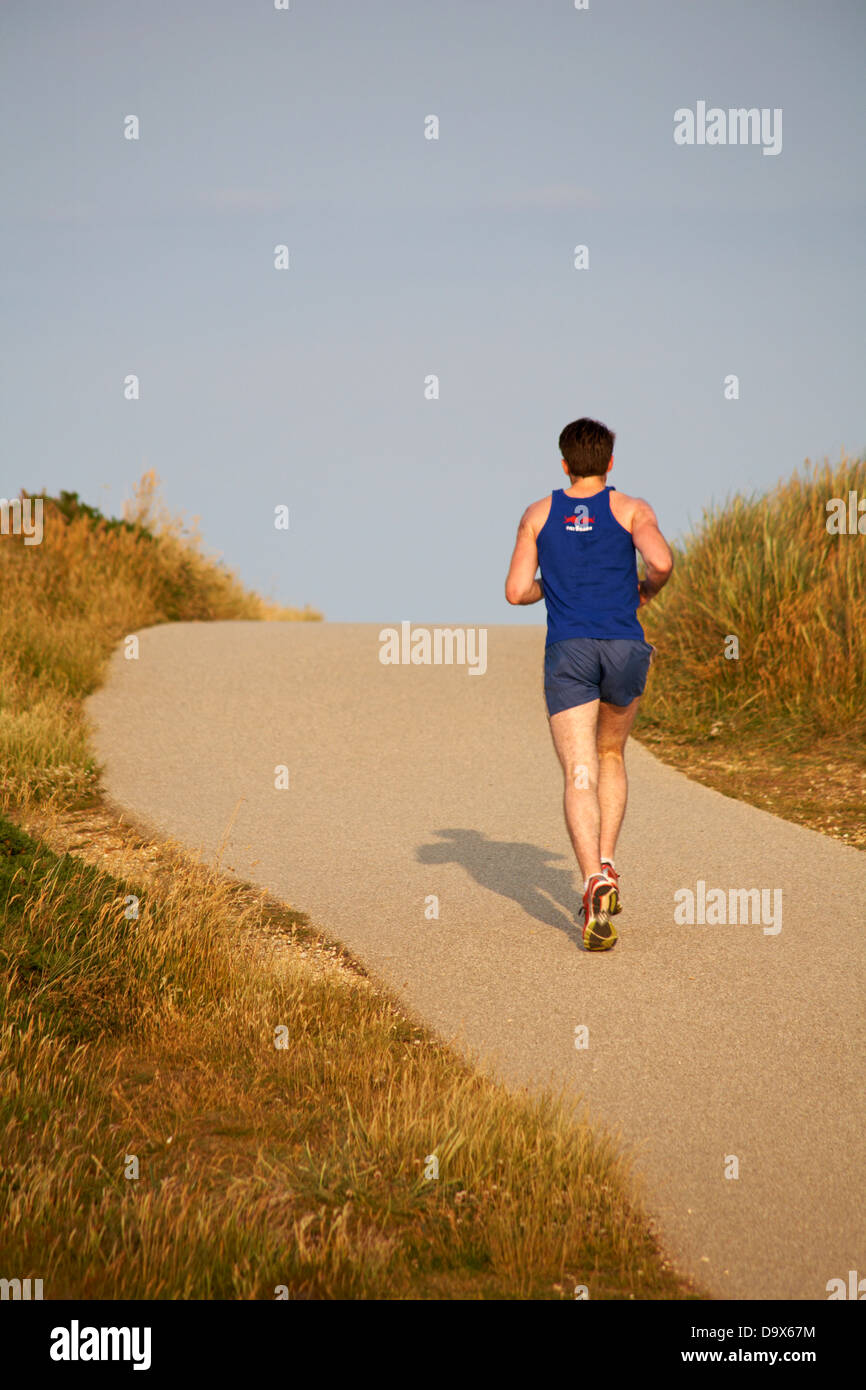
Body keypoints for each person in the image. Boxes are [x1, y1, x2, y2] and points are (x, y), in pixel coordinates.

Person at [505, 417, 674, 951]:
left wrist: (549, 587)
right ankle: (608, 864)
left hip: (569, 651)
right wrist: (647, 589)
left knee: (578, 770)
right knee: (611, 757)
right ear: (610, 463)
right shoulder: (631, 509)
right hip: (624, 647)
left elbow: (515, 592)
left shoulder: (538, 514)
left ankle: (592, 883)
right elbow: (662, 560)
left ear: (563, 463)